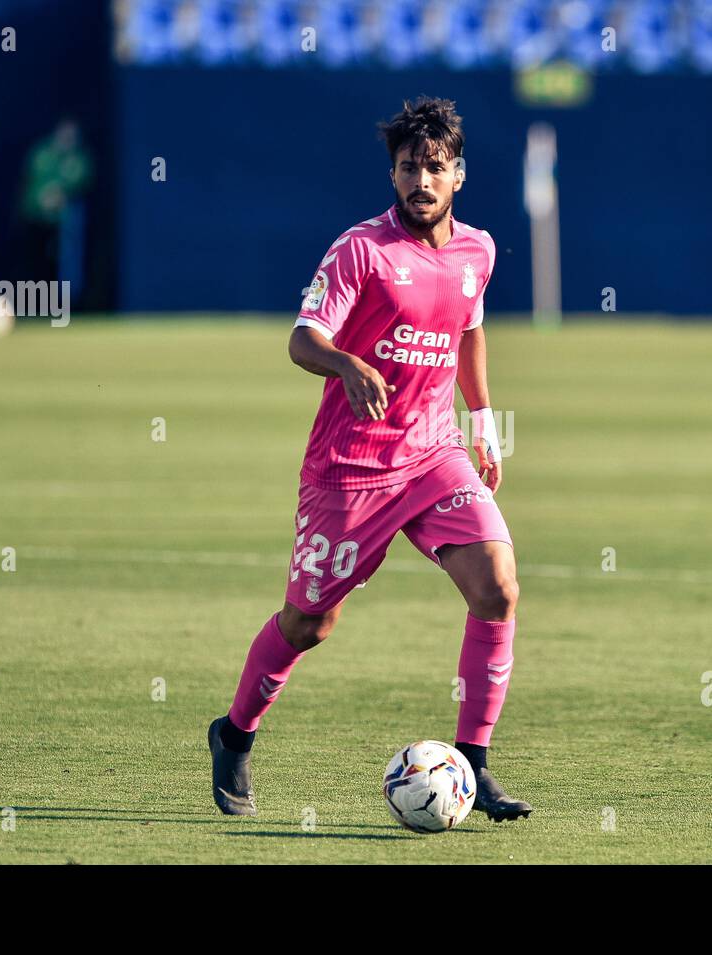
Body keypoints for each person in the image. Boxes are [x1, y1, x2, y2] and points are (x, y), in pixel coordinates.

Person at [207, 96, 532, 821]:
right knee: (308, 623)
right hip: (349, 468)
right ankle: (233, 735)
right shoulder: (361, 250)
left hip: (433, 455)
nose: (422, 180)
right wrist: (345, 363)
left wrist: (483, 420)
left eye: (435, 168)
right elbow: (302, 339)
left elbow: (470, 332)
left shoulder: (476, 251)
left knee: (498, 587)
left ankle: (473, 765)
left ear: (459, 176)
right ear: (392, 174)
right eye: (410, 167)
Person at [18, 118, 91, 286]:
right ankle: (31, 305)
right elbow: (28, 182)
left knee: (57, 267)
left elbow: (79, 184)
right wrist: (39, 201)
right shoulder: (41, 152)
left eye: (72, 134)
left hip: (61, 224)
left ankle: (59, 305)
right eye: (65, 132)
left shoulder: (79, 159)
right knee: (32, 264)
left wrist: (57, 196)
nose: (68, 137)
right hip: (34, 219)